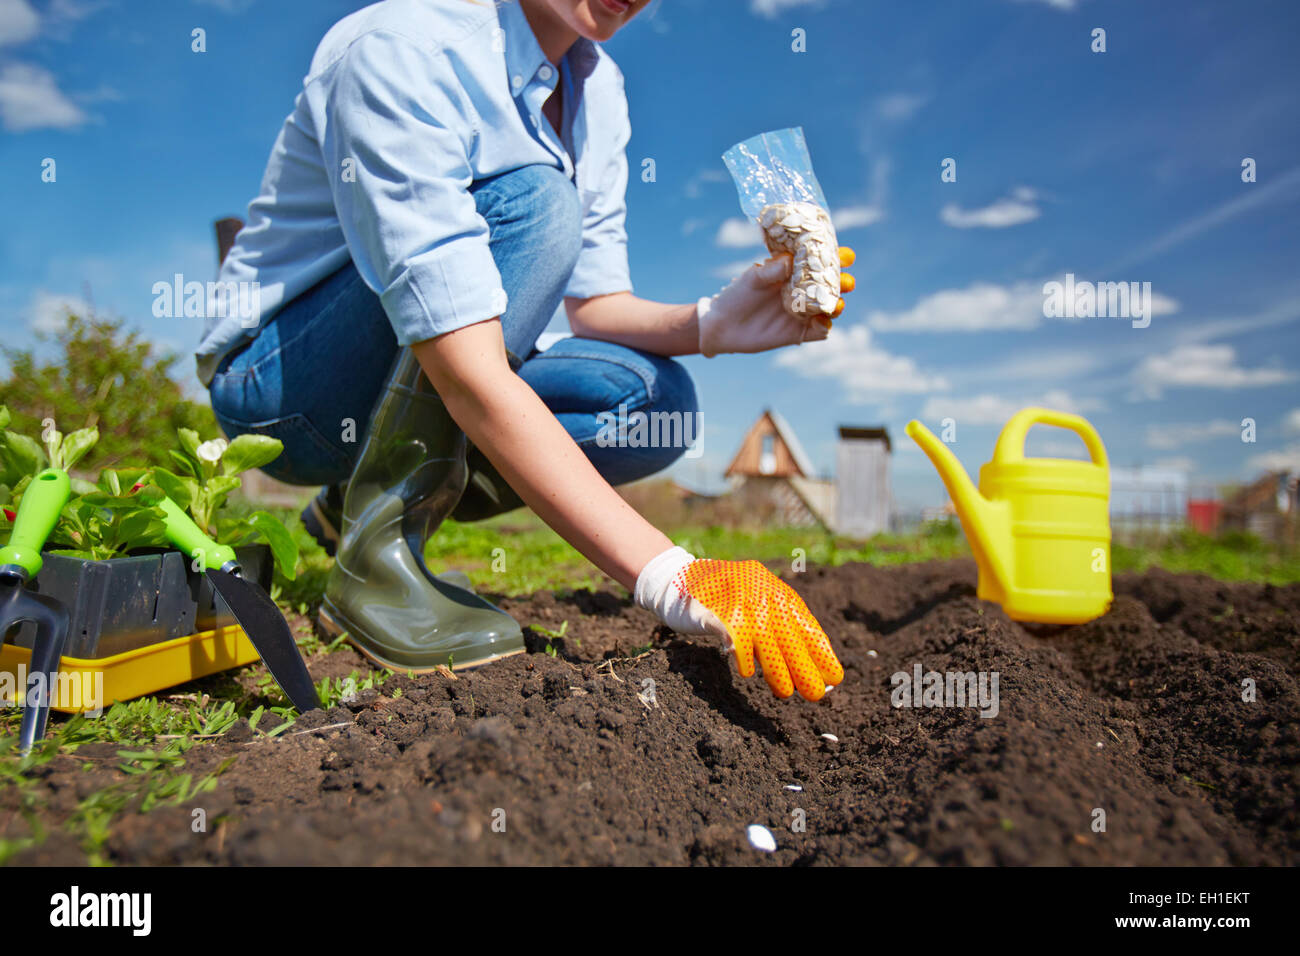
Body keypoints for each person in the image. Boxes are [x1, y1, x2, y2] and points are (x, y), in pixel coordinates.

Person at [195, 0, 855, 701]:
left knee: (653, 402)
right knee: (536, 205)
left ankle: (344, 506)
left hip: (430, 358)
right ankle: (373, 563)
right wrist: (670, 574)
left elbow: (597, 305)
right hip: (279, 387)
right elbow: (470, 369)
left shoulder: (600, 90)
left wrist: (712, 323)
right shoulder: (405, 45)